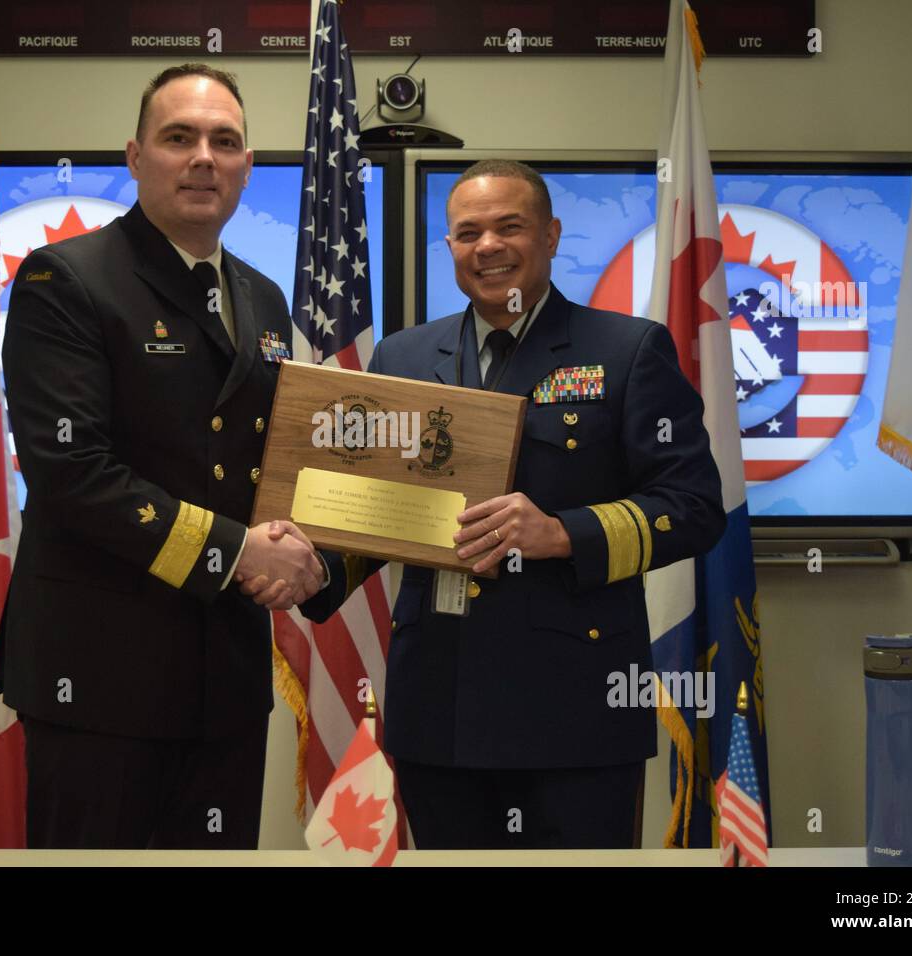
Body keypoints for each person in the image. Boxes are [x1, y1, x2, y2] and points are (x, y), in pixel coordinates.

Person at [258, 160, 726, 849]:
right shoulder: (404, 355)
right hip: (439, 704)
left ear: (551, 235)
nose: (488, 246)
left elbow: (692, 507)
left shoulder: (627, 350)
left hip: (575, 712)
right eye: (468, 232)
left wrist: (560, 533)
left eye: (510, 226)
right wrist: (312, 567)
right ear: (449, 247)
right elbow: (379, 510)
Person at [0, 64, 323, 850]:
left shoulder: (264, 298)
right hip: (100, 679)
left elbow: (275, 464)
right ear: (136, 158)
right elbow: (73, 473)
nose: (204, 157)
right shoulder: (65, 279)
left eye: (225, 141)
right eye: (180, 138)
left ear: (247, 166)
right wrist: (240, 552)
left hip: (226, 683)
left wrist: (324, 552)